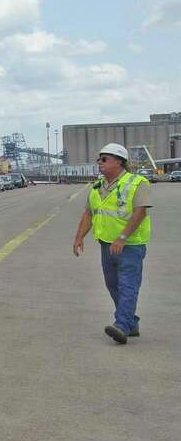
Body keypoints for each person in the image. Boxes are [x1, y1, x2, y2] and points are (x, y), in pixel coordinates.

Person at [72, 143, 151, 344]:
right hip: (106, 245)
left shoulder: (137, 182)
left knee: (128, 285)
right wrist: (79, 237)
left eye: (104, 159)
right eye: (99, 159)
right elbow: (89, 213)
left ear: (118, 161)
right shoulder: (97, 187)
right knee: (112, 284)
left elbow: (140, 212)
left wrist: (122, 238)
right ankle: (131, 323)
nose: (100, 163)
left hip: (130, 245)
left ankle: (121, 326)